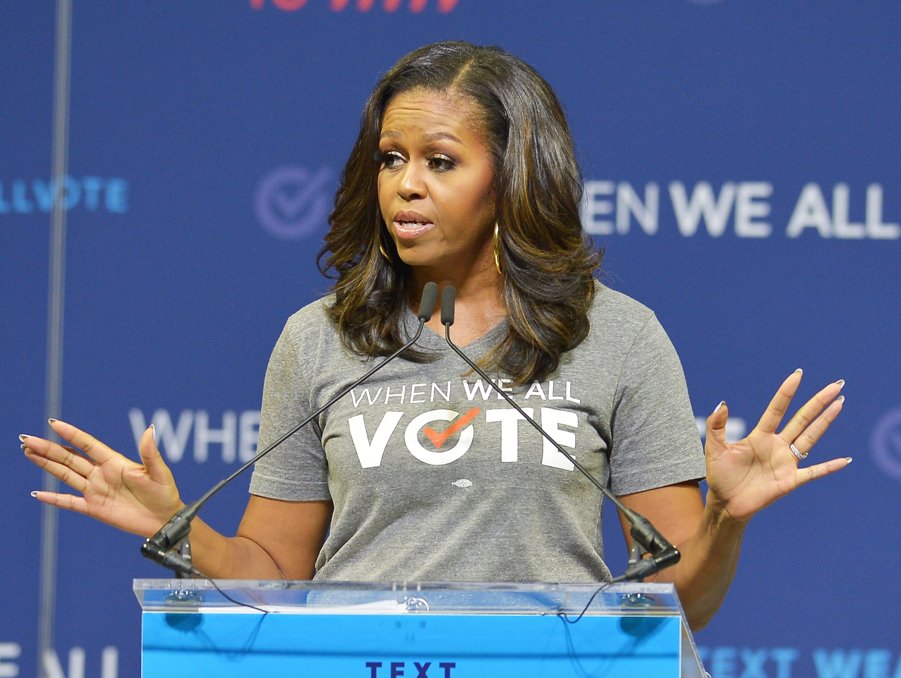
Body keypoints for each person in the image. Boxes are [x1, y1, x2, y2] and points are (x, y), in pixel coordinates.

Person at [19, 41, 849, 630]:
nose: (405, 185)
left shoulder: (616, 337)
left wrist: (724, 522)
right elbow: (274, 580)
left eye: (440, 161)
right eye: (389, 158)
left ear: (515, 176)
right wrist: (179, 528)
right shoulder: (320, 342)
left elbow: (674, 604)